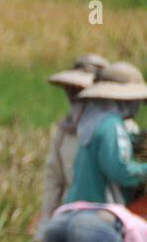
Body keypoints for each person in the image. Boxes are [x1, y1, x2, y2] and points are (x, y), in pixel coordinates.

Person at [41, 61, 147, 242]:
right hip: (95, 227)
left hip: (61, 224)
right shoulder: (112, 125)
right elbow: (120, 170)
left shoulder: (84, 124)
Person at [34, 54, 107, 242]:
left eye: (79, 90)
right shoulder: (64, 131)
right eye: (71, 90)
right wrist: (45, 224)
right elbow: (54, 178)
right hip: (69, 219)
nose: (74, 96)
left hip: (106, 222)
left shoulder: (115, 130)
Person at [63, 61, 147, 207]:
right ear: (126, 100)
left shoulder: (92, 120)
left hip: (74, 207)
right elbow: (120, 171)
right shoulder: (112, 124)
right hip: (98, 210)